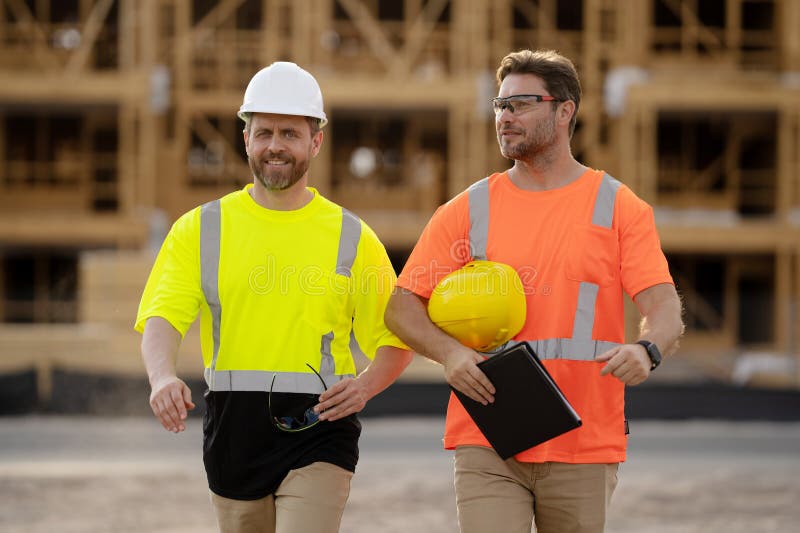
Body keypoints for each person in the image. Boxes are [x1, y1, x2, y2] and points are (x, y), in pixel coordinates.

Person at [385, 49, 684, 533]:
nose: (505, 117)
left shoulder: (617, 207)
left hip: (583, 439)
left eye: (521, 104)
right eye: (500, 105)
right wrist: (450, 353)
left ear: (565, 111)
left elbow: (663, 305)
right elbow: (401, 307)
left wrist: (647, 349)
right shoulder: (468, 209)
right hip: (488, 433)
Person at [135, 61, 412, 533]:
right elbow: (163, 314)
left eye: (290, 133)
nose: (275, 146)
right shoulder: (200, 229)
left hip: (321, 431)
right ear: (246, 139)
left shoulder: (352, 237)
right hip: (233, 434)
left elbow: (397, 334)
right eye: (264, 133)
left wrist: (365, 386)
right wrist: (161, 378)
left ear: (315, 142)